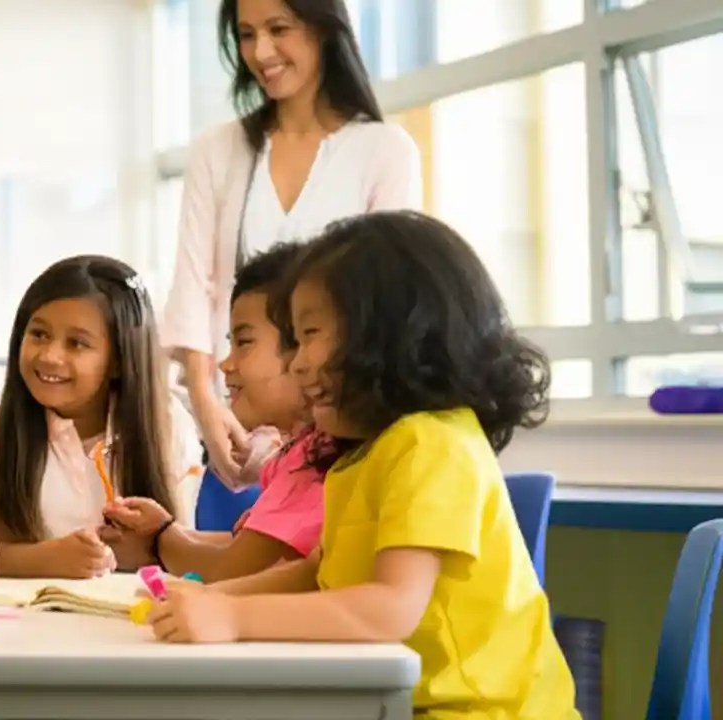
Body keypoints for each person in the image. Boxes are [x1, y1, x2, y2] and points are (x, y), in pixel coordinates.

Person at [148, 211, 579, 718]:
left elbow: (390, 607)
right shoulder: (363, 455)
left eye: (310, 334)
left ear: (392, 335)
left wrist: (233, 616)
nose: (296, 363)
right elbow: (318, 573)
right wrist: (207, 598)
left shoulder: (431, 444)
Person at [162, 0, 422, 488]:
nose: (261, 52)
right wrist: (206, 405)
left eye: (278, 29)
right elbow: (192, 285)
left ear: (324, 28)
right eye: (246, 35)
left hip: (341, 432)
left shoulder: (385, 150)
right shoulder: (217, 151)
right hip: (231, 426)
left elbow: (386, 303)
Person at [0, 256, 200, 578]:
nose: (49, 356)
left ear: (119, 360)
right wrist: (47, 560)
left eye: (77, 344)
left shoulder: (168, 425)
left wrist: (148, 550)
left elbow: (184, 556)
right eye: (39, 334)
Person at [104, 241, 326, 582]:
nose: (226, 364)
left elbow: (233, 569)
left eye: (244, 342)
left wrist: (161, 539)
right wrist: (166, 531)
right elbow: (245, 546)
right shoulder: (298, 453)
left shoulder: (315, 462)